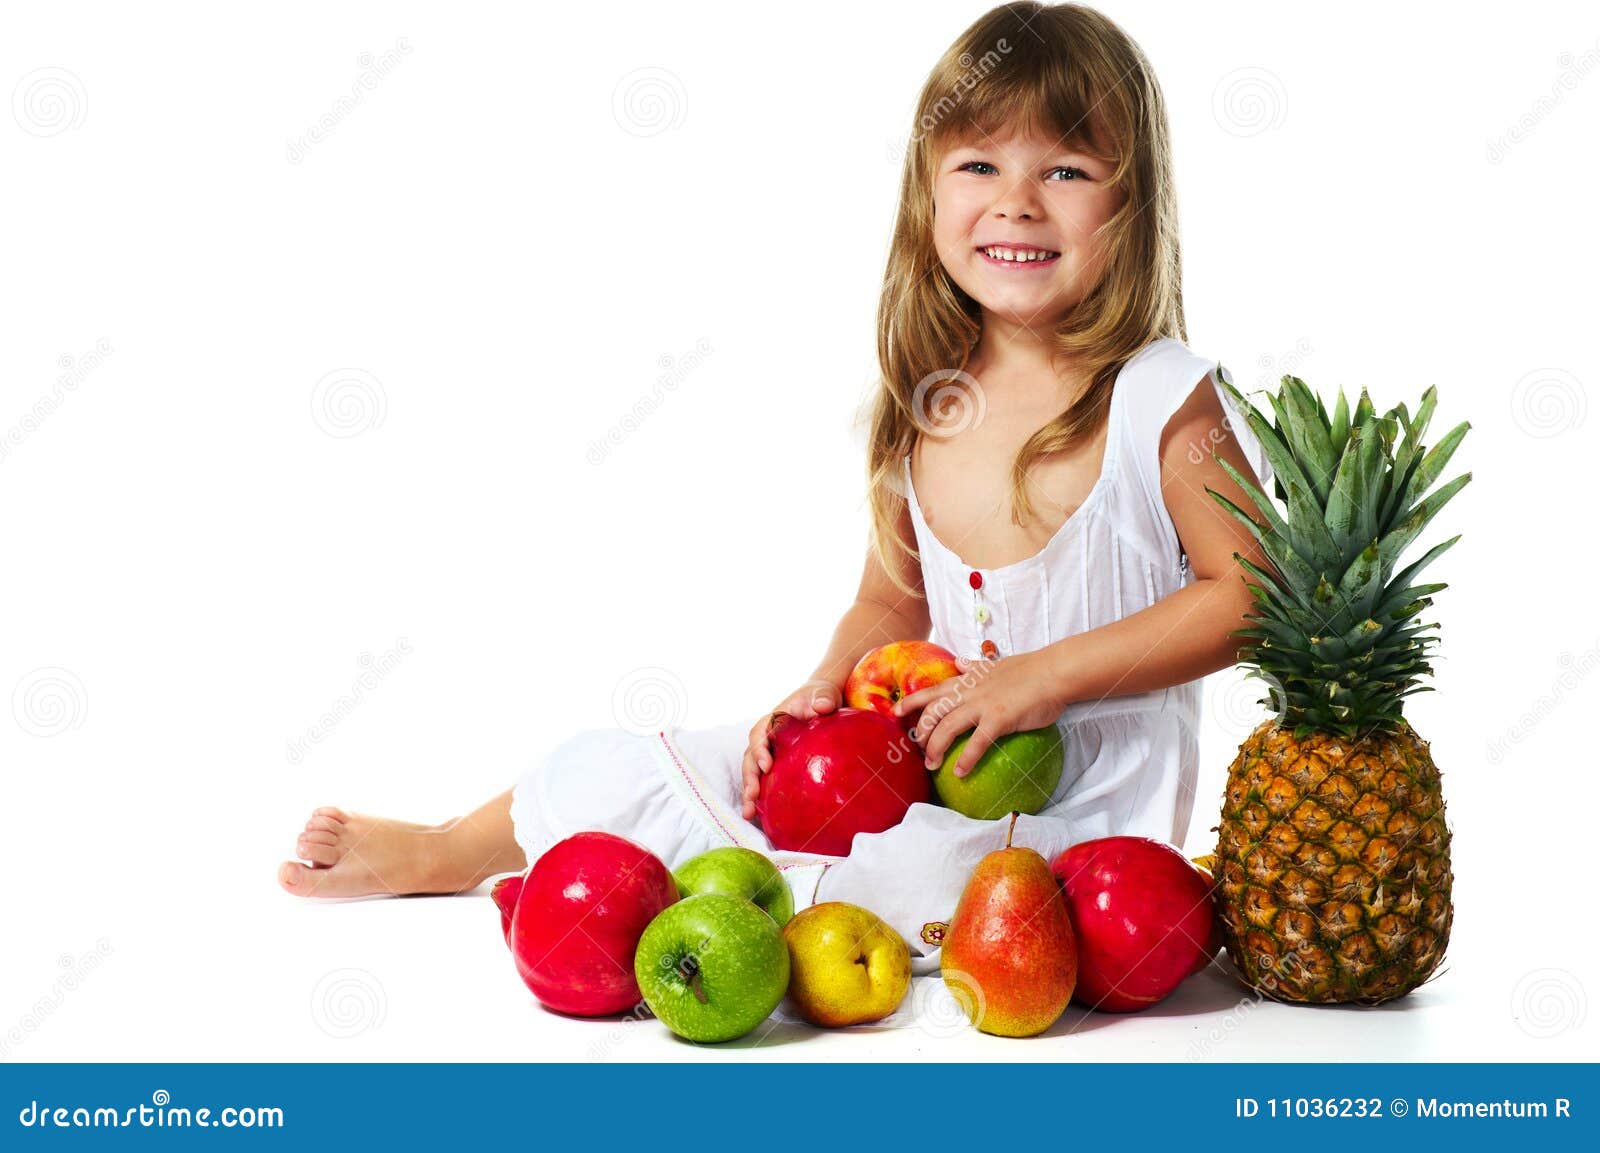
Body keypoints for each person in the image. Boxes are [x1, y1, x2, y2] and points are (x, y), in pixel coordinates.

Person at [277, 1, 1275, 975]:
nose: (1017, 201)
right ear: (926, 194)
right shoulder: (929, 396)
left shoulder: (1159, 396)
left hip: (1081, 809)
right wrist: (820, 688)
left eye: (1065, 170)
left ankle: (712, 922)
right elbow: (890, 601)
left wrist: (1040, 677)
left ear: (1129, 202)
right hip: (920, 762)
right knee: (646, 762)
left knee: (925, 873)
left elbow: (1247, 596)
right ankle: (453, 848)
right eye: (978, 165)